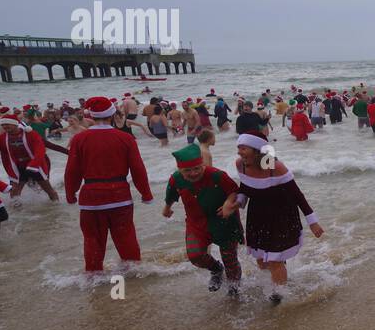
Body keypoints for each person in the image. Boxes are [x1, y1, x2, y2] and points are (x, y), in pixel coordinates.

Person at [220, 134, 323, 305]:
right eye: (239, 148)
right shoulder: (241, 165)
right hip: (258, 214)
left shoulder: (275, 167)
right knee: (261, 260)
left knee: (273, 260)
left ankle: (279, 295)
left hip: (281, 215)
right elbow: (245, 189)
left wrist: (313, 222)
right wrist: (235, 204)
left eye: (243, 148)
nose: (239, 152)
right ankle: (279, 274)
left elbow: (298, 196)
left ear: (257, 150)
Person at [63, 97, 153, 273]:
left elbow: (72, 170)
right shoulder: (125, 138)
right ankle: (133, 275)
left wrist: (70, 193)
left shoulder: (79, 139)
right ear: (113, 114)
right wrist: (146, 194)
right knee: (126, 237)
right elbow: (137, 169)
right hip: (120, 197)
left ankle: (93, 277)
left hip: (90, 199)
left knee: (92, 240)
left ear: (92, 116)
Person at [162, 143, 245, 295]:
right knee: (195, 256)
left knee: (230, 261)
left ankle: (234, 291)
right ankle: (216, 270)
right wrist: (167, 207)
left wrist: (228, 204)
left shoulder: (217, 175)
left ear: (202, 164)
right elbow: (171, 194)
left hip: (224, 222)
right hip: (196, 223)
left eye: (197, 168)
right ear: (180, 169)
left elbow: (235, 191)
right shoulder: (176, 179)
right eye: (188, 170)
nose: (193, 173)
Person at [0, 114, 58, 201]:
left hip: (34, 166)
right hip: (18, 167)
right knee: (14, 192)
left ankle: (56, 209)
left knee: (48, 190)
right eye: (3, 125)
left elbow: (40, 149)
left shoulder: (30, 134)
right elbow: (3, 148)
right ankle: (17, 213)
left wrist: (33, 164)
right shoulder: (2, 137)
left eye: (7, 124)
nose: (5, 126)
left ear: (15, 124)